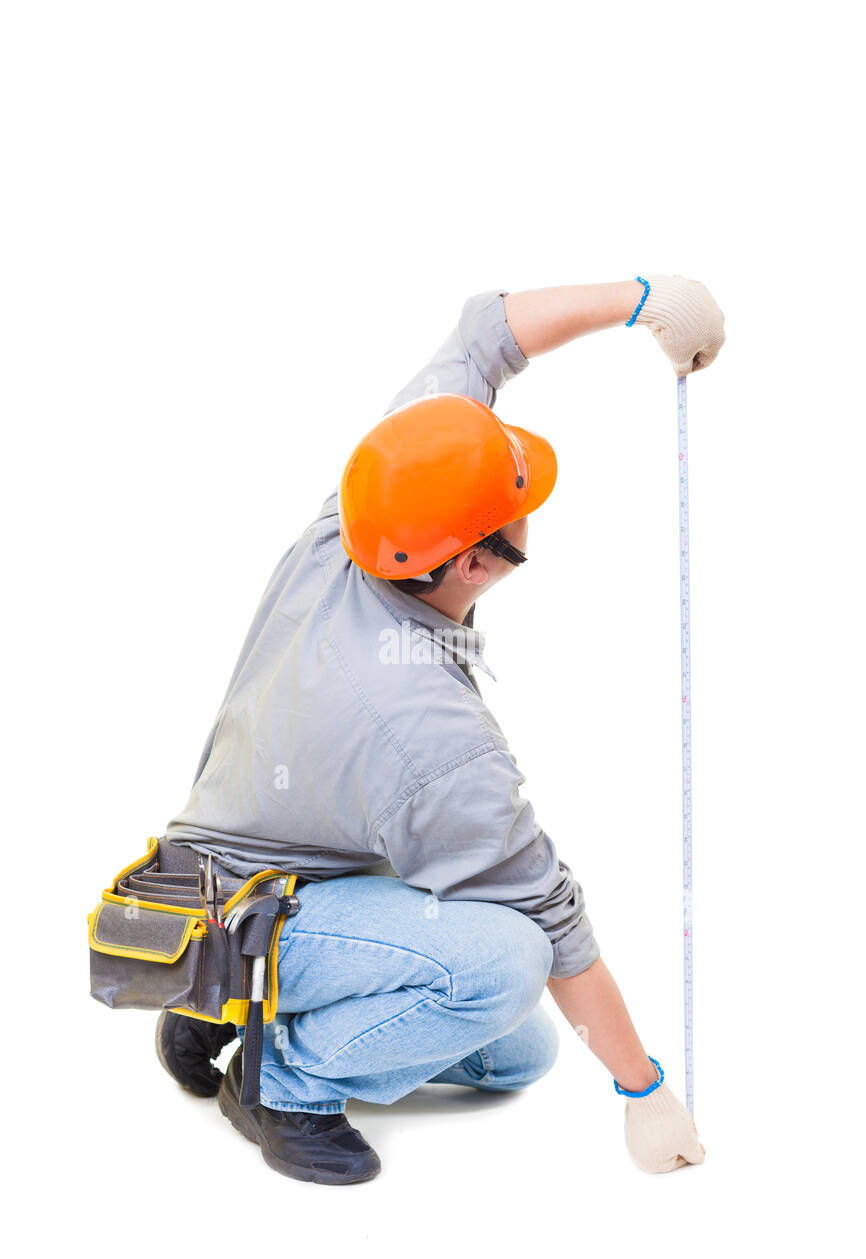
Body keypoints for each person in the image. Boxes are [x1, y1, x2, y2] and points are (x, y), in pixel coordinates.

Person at [157, 274, 724, 1185]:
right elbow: (553, 924)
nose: (527, 495)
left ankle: (229, 1001)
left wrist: (643, 298)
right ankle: (281, 1077)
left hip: (248, 868)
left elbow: (482, 337)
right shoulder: (428, 730)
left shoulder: (369, 508)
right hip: (247, 905)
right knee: (509, 962)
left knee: (520, 1055)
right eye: (515, 504)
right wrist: (642, 1090)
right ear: (475, 563)